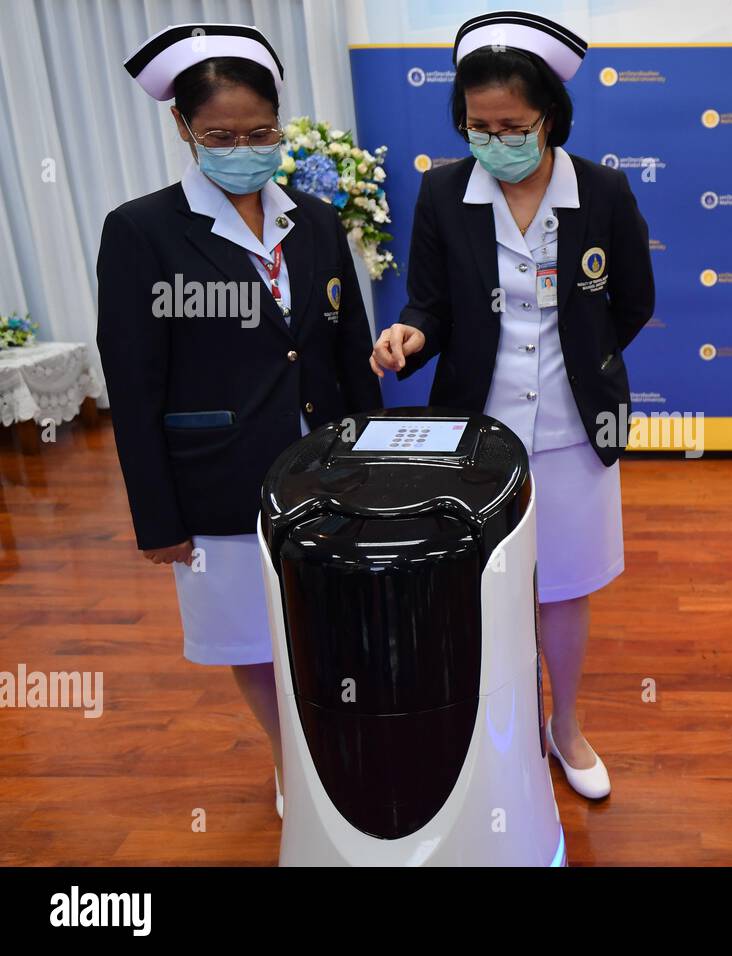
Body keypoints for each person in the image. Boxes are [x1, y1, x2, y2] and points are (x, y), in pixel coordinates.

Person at [370, 11, 654, 799]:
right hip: (475, 433)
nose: (496, 141)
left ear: (551, 118)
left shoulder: (600, 190)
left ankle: (566, 727)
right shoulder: (441, 192)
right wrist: (408, 336)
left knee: (564, 587)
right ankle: (502, 726)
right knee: (483, 587)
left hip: (573, 429)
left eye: (513, 126)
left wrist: (584, 362)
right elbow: (429, 303)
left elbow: (633, 300)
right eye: (478, 127)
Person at [98, 23, 382, 814]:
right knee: (251, 634)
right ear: (182, 129)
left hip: (329, 471)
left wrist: (378, 466)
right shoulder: (143, 232)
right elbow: (133, 380)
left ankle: (333, 736)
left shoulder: (317, 221)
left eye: (260, 132)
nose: (243, 148)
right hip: (218, 477)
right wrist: (158, 519)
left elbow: (348, 349)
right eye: (220, 134)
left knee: (330, 626)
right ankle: (289, 755)